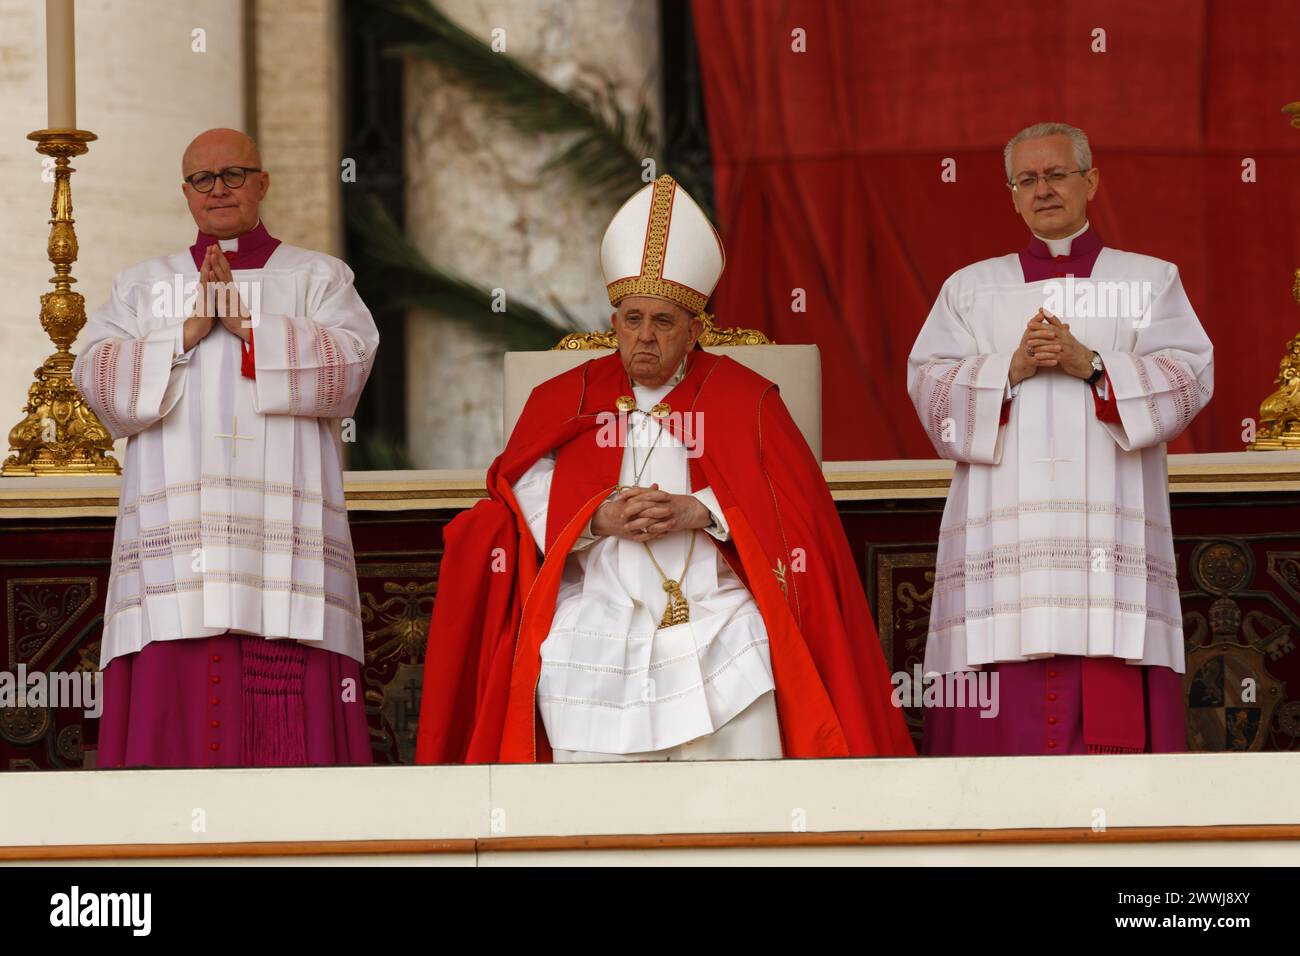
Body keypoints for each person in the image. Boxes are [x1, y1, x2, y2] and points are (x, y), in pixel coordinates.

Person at [416, 174, 914, 763]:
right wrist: (595, 518)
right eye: (632, 319)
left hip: (713, 599)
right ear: (614, 324)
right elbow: (517, 488)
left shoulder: (746, 400)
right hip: (600, 593)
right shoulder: (564, 398)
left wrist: (701, 510)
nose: (645, 337)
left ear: (696, 330)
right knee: (570, 650)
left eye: (663, 321)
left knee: (750, 642)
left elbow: (795, 506)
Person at [72, 128, 379, 767]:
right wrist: (184, 333)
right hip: (178, 537)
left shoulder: (318, 277)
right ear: (186, 192)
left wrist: (249, 327)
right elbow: (96, 379)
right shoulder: (142, 285)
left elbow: (351, 366)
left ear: (262, 183)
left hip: (280, 540)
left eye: (234, 174)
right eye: (203, 179)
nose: (219, 189)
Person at [907, 122, 1214, 755]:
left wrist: (1093, 365)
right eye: (1027, 179)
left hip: (1109, 536)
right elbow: (930, 390)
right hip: (1006, 543)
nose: (1042, 189)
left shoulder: (1149, 281)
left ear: (1090, 181)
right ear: (1012, 195)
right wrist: (1009, 369)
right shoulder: (970, 289)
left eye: (1056, 174)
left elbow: (1189, 377)